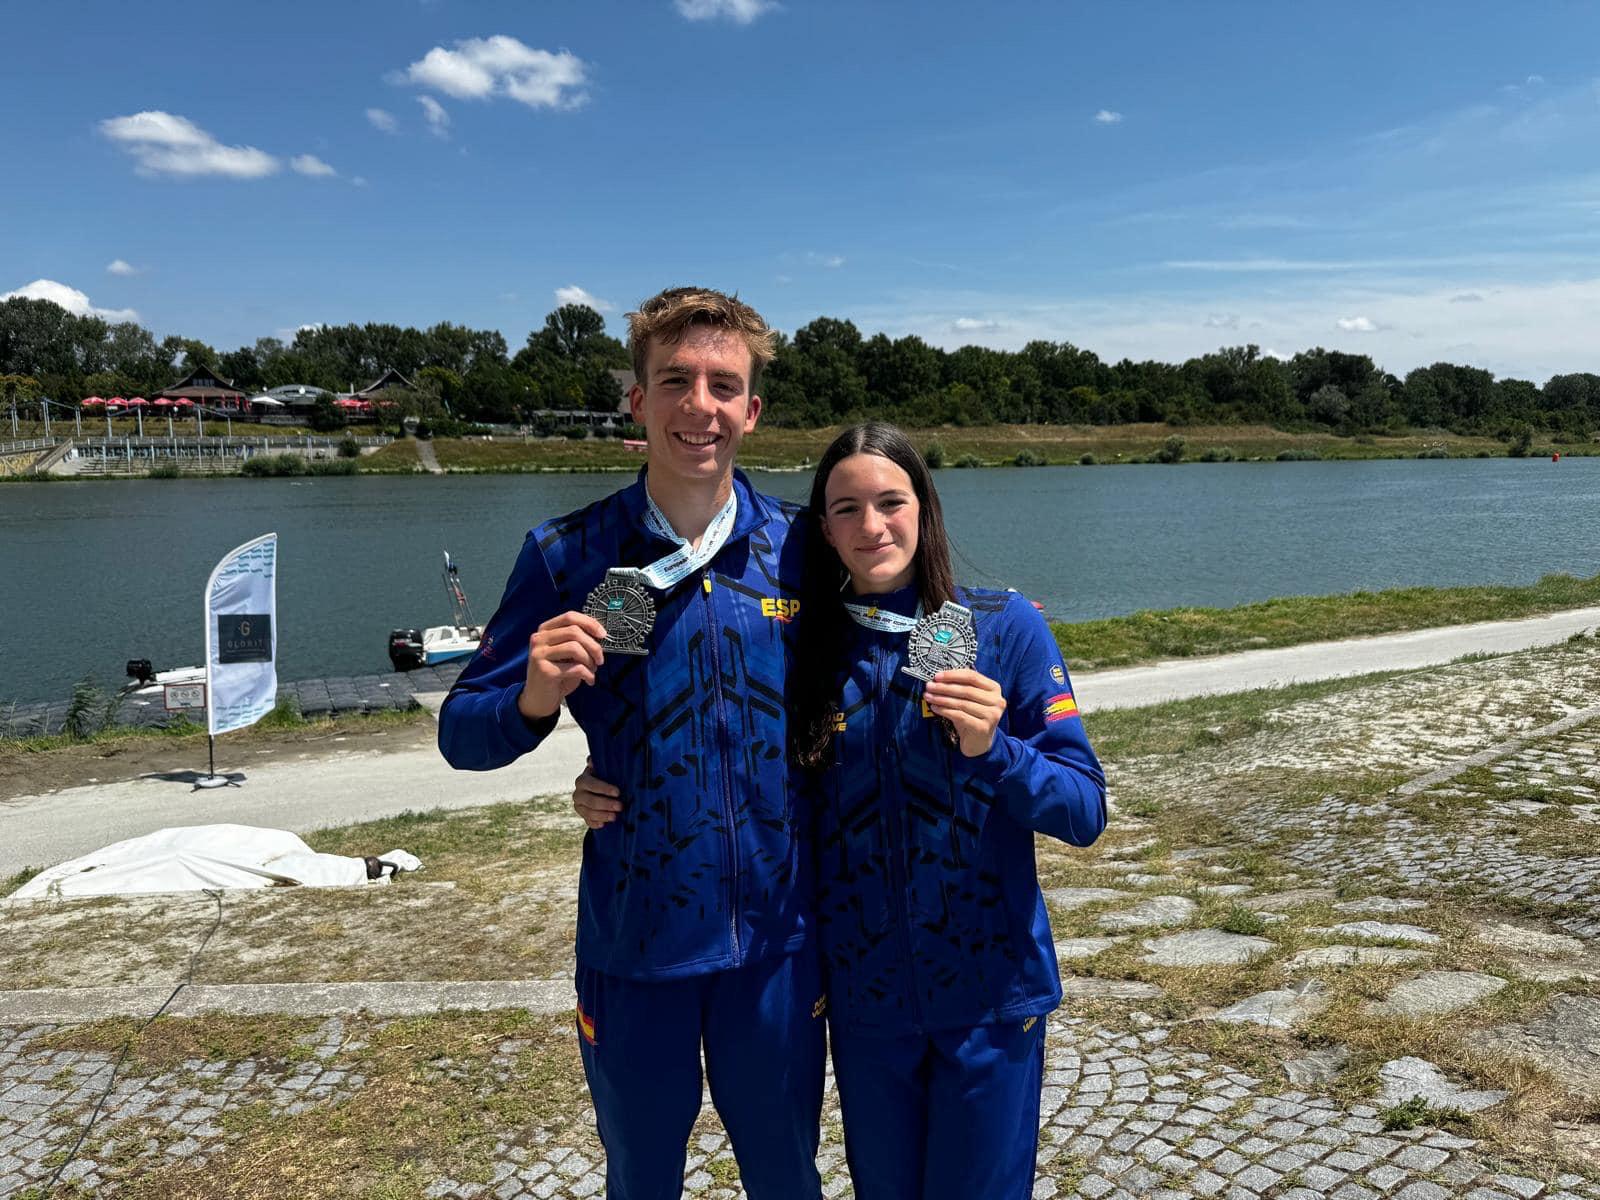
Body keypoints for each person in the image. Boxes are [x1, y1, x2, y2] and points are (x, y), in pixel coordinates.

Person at [578, 420, 1107, 1198]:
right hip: (867, 1011)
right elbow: (710, 738)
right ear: (820, 528)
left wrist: (997, 751)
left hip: (990, 997)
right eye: (846, 508)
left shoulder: (998, 628)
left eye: (891, 502)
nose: (872, 526)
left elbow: (1084, 809)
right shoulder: (807, 646)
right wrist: (608, 776)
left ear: (924, 508)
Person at [440, 287, 823, 1200]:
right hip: (635, 940)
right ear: (638, 402)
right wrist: (533, 698)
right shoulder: (570, 553)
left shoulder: (802, 550)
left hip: (776, 941)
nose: (702, 406)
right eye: (676, 381)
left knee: (785, 1174)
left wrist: (999, 641)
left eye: (723, 386)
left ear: (753, 410)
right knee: (641, 1176)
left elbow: (887, 665)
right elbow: (463, 734)